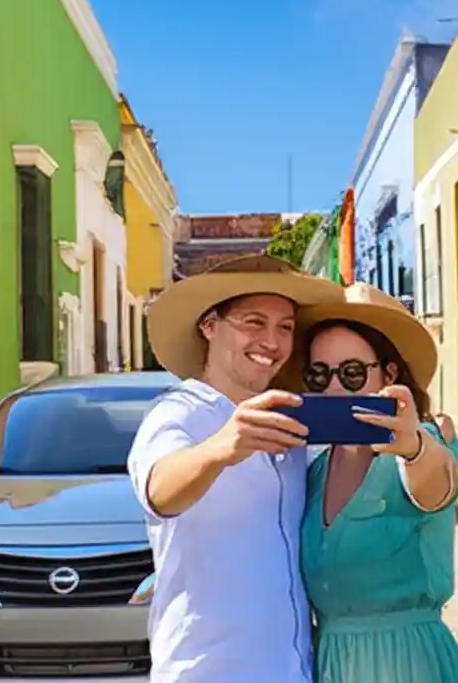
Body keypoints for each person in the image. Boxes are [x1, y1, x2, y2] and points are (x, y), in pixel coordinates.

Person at [127, 254, 343, 682]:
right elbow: (160, 491)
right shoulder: (178, 415)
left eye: (285, 327)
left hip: (293, 669)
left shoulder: (291, 419)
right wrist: (220, 449)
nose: (272, 341)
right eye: (253, 322)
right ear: (209, 326)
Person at [281, 282, 458, 683]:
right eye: (319, 375)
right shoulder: (314, 471)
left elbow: (438, 484)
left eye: (351, 373)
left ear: (389, 373)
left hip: (407, 665)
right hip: (333, 664)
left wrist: (414, 446)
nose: (334, 388)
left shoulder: (426, 441)